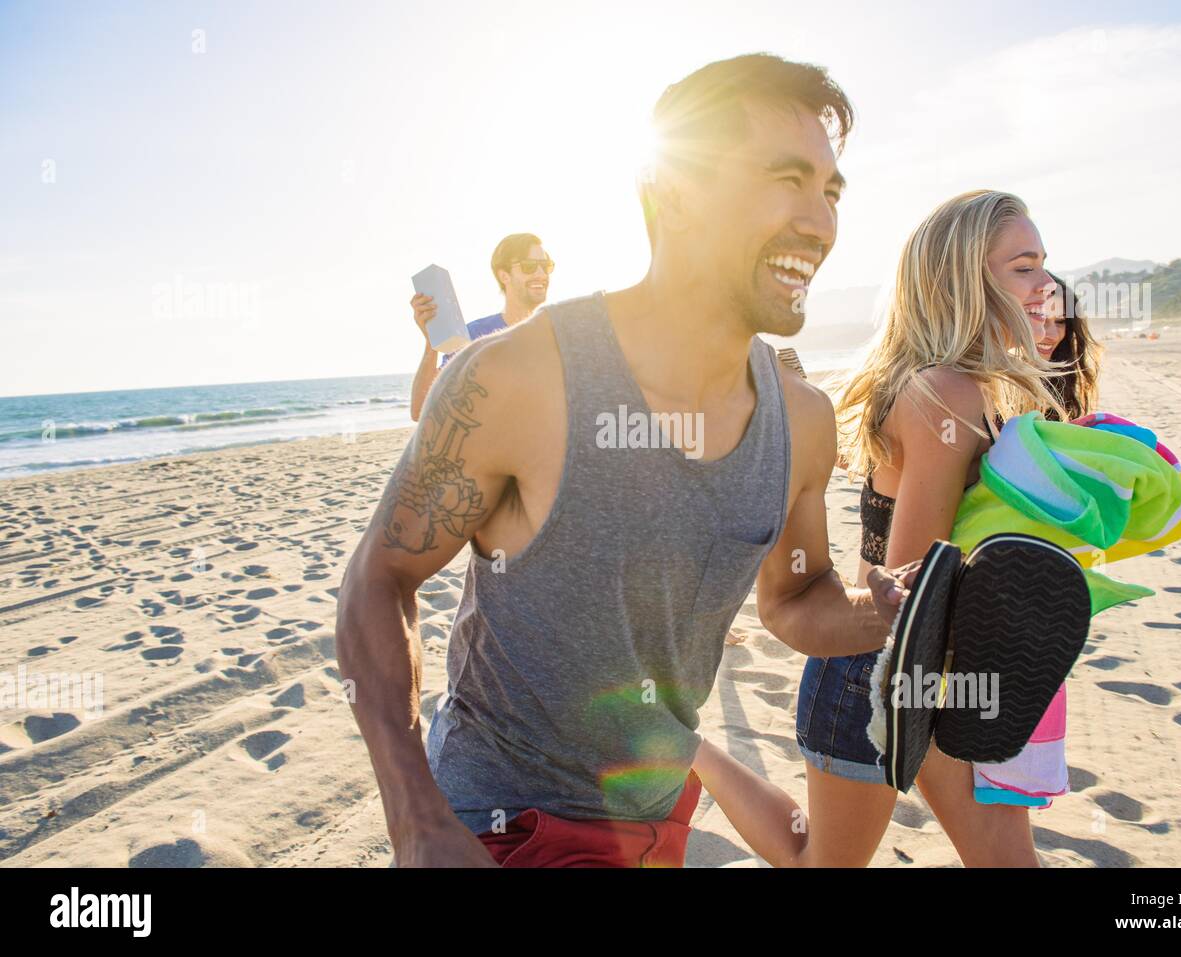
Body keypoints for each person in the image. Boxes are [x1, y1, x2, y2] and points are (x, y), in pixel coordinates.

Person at [336, 52, 916, 868]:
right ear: (674, 187)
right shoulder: (518, 379)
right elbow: (378, 574)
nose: (820, 223)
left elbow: (793, 597)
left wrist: (882, 613)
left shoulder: (803, 421)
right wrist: (417, 821)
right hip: (505, 825)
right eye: (786, 179)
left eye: (829, 191)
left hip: (654, 814)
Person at [692, 190, 1070, 867]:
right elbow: (910, 599)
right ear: (963, 280)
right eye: (1024, 266)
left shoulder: (978, 389)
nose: (1048, 284)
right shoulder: (944, 394)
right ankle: (685, 745)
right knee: (817, 859)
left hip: (947, 673)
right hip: (881, 675)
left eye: (1044, 263)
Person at [407, 233, 553, 420]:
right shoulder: (475, 337)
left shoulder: (558, 337)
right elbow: (421, 410)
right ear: (504, 275)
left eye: (545, 266)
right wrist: (431, 341)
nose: (541, 274)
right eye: (529, 266)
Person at [1036, 271, 1103, 420]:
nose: (1052, 335)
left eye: (1060, 321)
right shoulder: (986, 386)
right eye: (1040, 319)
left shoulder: (1060, 380)